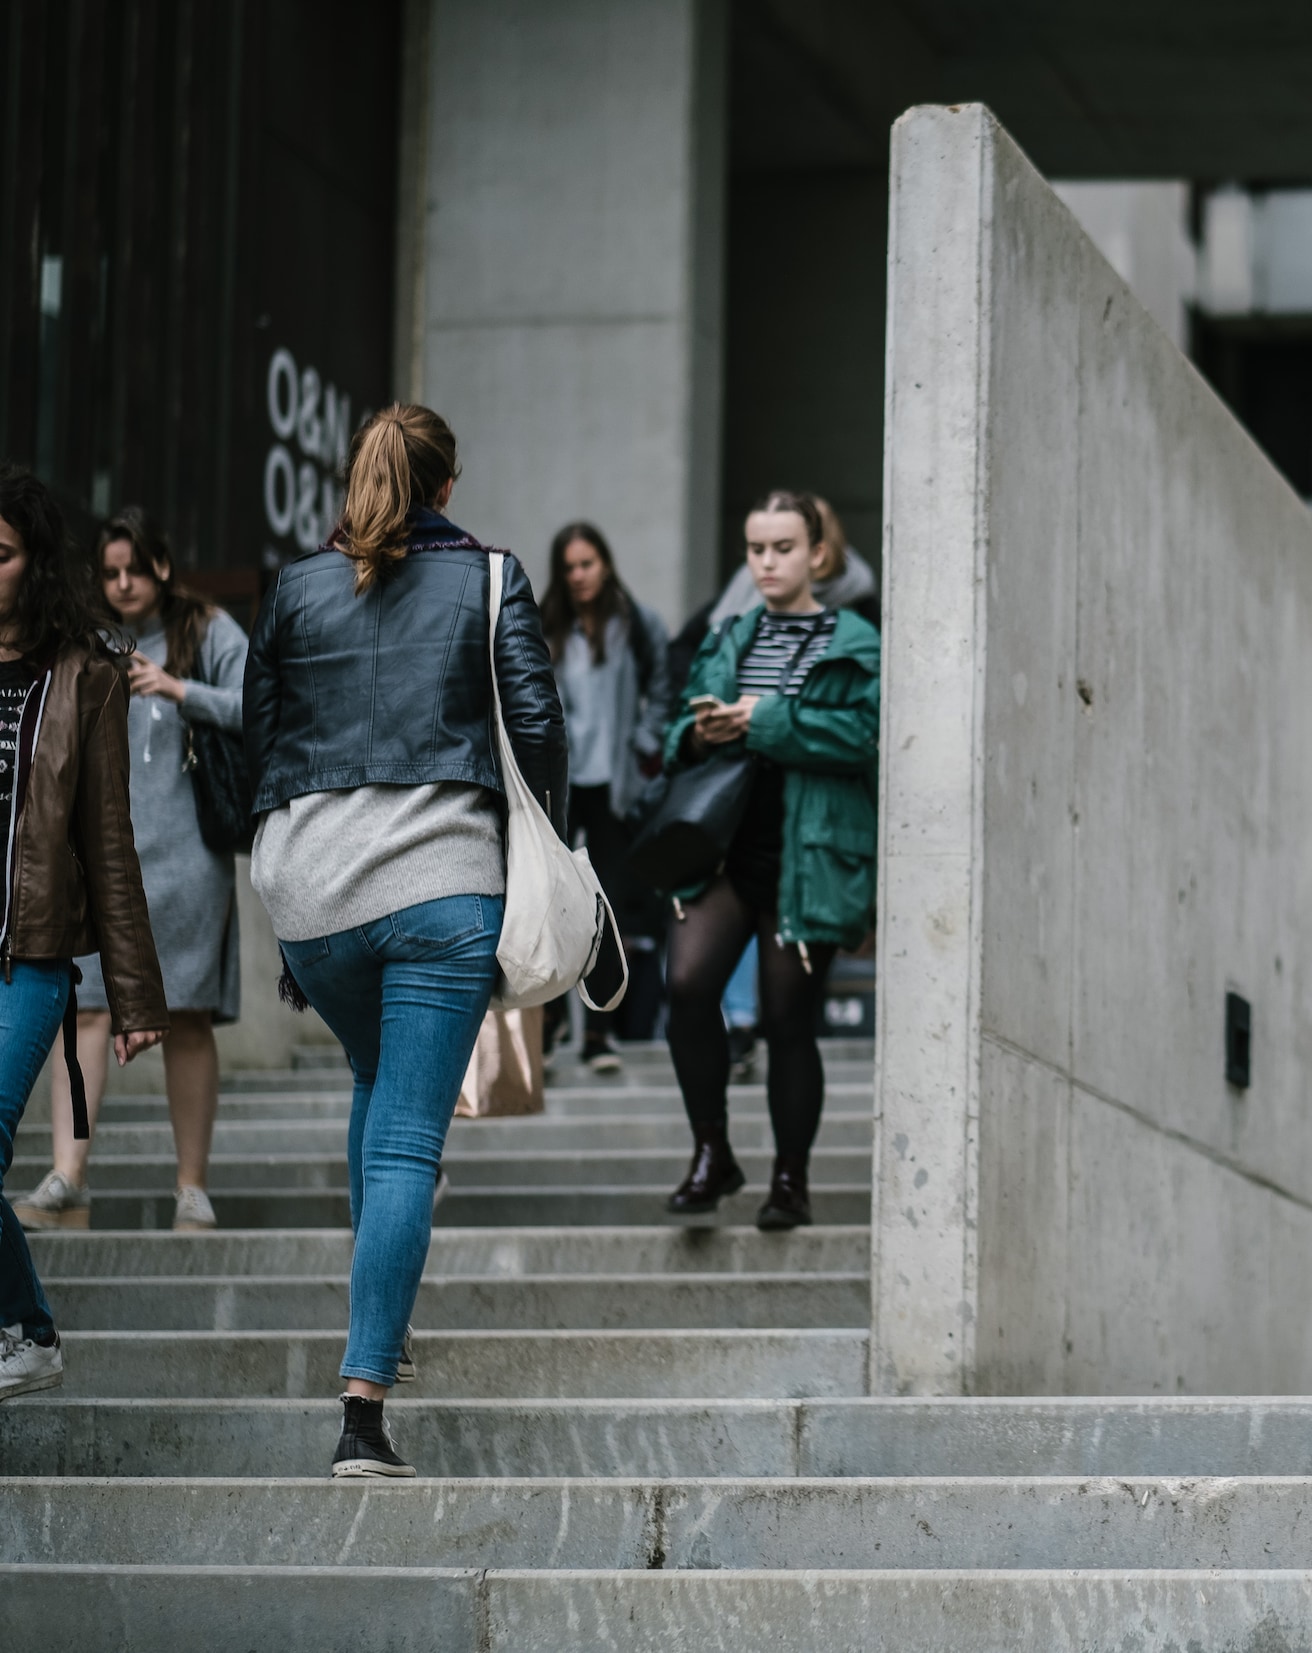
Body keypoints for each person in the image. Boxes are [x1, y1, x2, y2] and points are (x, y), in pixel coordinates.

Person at [245, 404, 565, 1476]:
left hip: (311, 898)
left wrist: (291, 875)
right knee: (404, 1144)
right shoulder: (488, 577)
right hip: (438, 890)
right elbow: (537, 728)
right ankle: (362, 1408)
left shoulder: (293, 587)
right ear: (448, 483)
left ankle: (383, 1322)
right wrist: (541, 860)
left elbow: (261, 739)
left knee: (376, 1086)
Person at [11, 510, 247, 1236]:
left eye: (134, 571)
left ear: (163, 568)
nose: (121, 585)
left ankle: (191, 1186)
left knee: (185, 1016)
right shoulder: (87, 643)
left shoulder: (208, 631)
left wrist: (181, 690)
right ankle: (68, 1171)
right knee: (81, 1013)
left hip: (187, 858)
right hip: (101, 860)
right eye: (109, 573)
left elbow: (263, 706)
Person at [660, 489, 879, 1229]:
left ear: (817, 552)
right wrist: (701, 733)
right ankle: (711, 1150)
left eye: (783, 547)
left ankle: (791, 1179)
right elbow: (674, 734)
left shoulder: (857, 639)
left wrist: (766, 718)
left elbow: (864, 737)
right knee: (687, 985)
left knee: (788, 1021)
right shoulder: (730, 634)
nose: (767, 561)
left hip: (808, 853)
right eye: (756, 548)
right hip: (725, 848)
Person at [0, 467, 169, 1402]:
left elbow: (109, 843)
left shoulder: (85, 675)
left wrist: (136, 996)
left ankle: (29, 1328)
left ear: (35, 563)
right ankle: (25, 1325)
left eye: (1, 554)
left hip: (29, 956)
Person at [538, 521, 668, 1074]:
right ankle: (552, 1021)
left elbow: (665, 686)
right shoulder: (545, 626)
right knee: (554, 905)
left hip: (614, 788)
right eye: (569, 567)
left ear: (606, 563)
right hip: (560, 789)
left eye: (587, 564)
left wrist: (645, 743)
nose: (579, 576)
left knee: (606, 911)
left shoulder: (637, 624)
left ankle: (598, 1033)